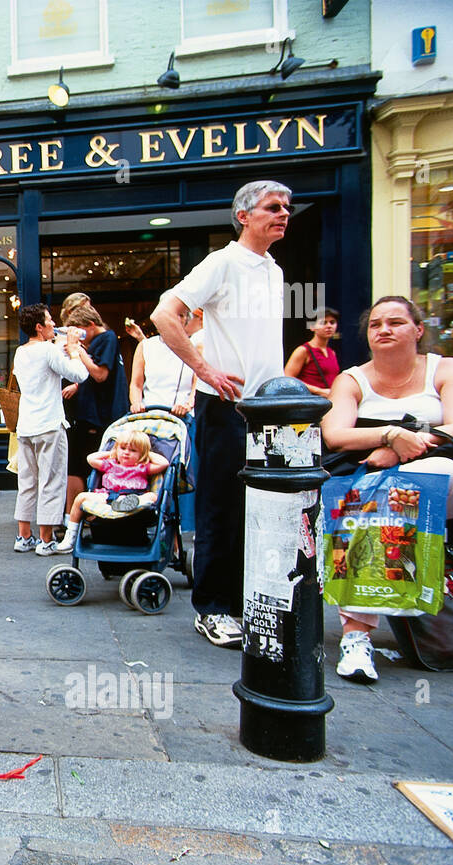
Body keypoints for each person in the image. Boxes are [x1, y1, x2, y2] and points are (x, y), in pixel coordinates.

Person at [150, 179, 292, 649]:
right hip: (227, 405)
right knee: (220, 509)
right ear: (244, 216)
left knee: (260, 510)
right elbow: (164, 314)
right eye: (273, 207)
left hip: (269, 409)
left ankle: (247, 601)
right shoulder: (222, 262)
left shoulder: (274, 270)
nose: (283, 213)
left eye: (287, 206)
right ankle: (212, 609)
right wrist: (206, 369)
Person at [320, 295, 453, 682]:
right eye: (375, 325)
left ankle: (361, 629)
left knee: (396, 488)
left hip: (445, 474)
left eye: (396, 322)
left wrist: (403, 448)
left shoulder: (445, 368)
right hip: (379, 488)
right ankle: (358, 637)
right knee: (370, 501)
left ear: (418, 330)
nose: (384, 330)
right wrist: (390, 436)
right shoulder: (352, 379)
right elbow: (336, 434)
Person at [10, 303, 90, 555]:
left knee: (27, 482)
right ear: (39, 327)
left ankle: (24, 537)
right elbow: (79, 375)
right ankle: (46, 541)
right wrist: (74, 350)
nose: (54, 324)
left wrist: (60, 346)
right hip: (49, 424)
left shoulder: (21, 352)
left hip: (26, 426)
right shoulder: (48, 350)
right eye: (50, 320)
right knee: (52, 481)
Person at [63, 302, 129, 513]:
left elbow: (100, 374)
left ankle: (77, 515)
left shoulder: (106, 338)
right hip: (94, 416)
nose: (80, 337)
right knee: (78, 465)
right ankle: (77, 515)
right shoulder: (101, 341)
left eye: (81, 332)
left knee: (79, 465)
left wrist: (77, 351)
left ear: (90, 324)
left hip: (98, 417)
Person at [58, 428, 170, 551]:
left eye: (133, 450)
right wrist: (113, 452)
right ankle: (70, 536)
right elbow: (90, 458)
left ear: (142, 454)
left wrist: (146, 453)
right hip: (109, 496)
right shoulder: (110, 464)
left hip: (135, 496)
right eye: (123, 448)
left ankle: (127, 503)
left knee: (152, 496)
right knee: (81, 497)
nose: (126, 453)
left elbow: (164, 463)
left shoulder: (142, 467)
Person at [129, 315, 201, 417]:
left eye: (181, 315)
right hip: (149, 415)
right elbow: (136, 385)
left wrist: (188, 405)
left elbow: (197, 385)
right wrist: (136, 404)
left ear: (186, 319)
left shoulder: (194, 346)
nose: (175, 318)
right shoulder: (145, 346)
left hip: (182, 418)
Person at [284, 308, 341, 398]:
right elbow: (288, 379)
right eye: (323, 322)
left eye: (332, 322)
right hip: (310, 402)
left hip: (329, 401)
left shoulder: (332, 352)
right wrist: (319, 391)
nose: (329, 326)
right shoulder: (304, 350)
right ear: (312, 327)